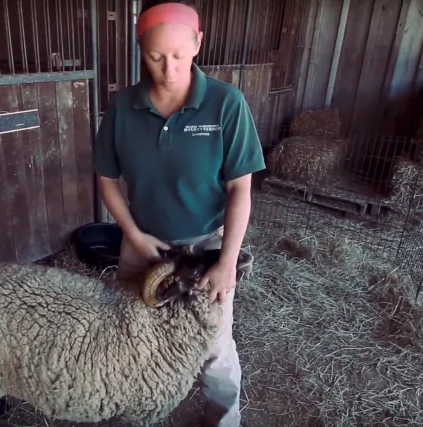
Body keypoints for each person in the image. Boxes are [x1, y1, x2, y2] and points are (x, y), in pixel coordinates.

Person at [92, 1, 266, 426]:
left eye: (179, 55)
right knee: (132, 331)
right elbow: (107, 179)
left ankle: (223, 419)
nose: (168, 69)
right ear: (140, 49)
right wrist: (133, 236)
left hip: (203, 249)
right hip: (142, 245)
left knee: (214, 344)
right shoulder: (123, 107)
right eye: (155, 57)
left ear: (198, 44)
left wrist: (227, 262)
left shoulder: (226, 104)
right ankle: (136, 412)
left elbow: (240, 188)